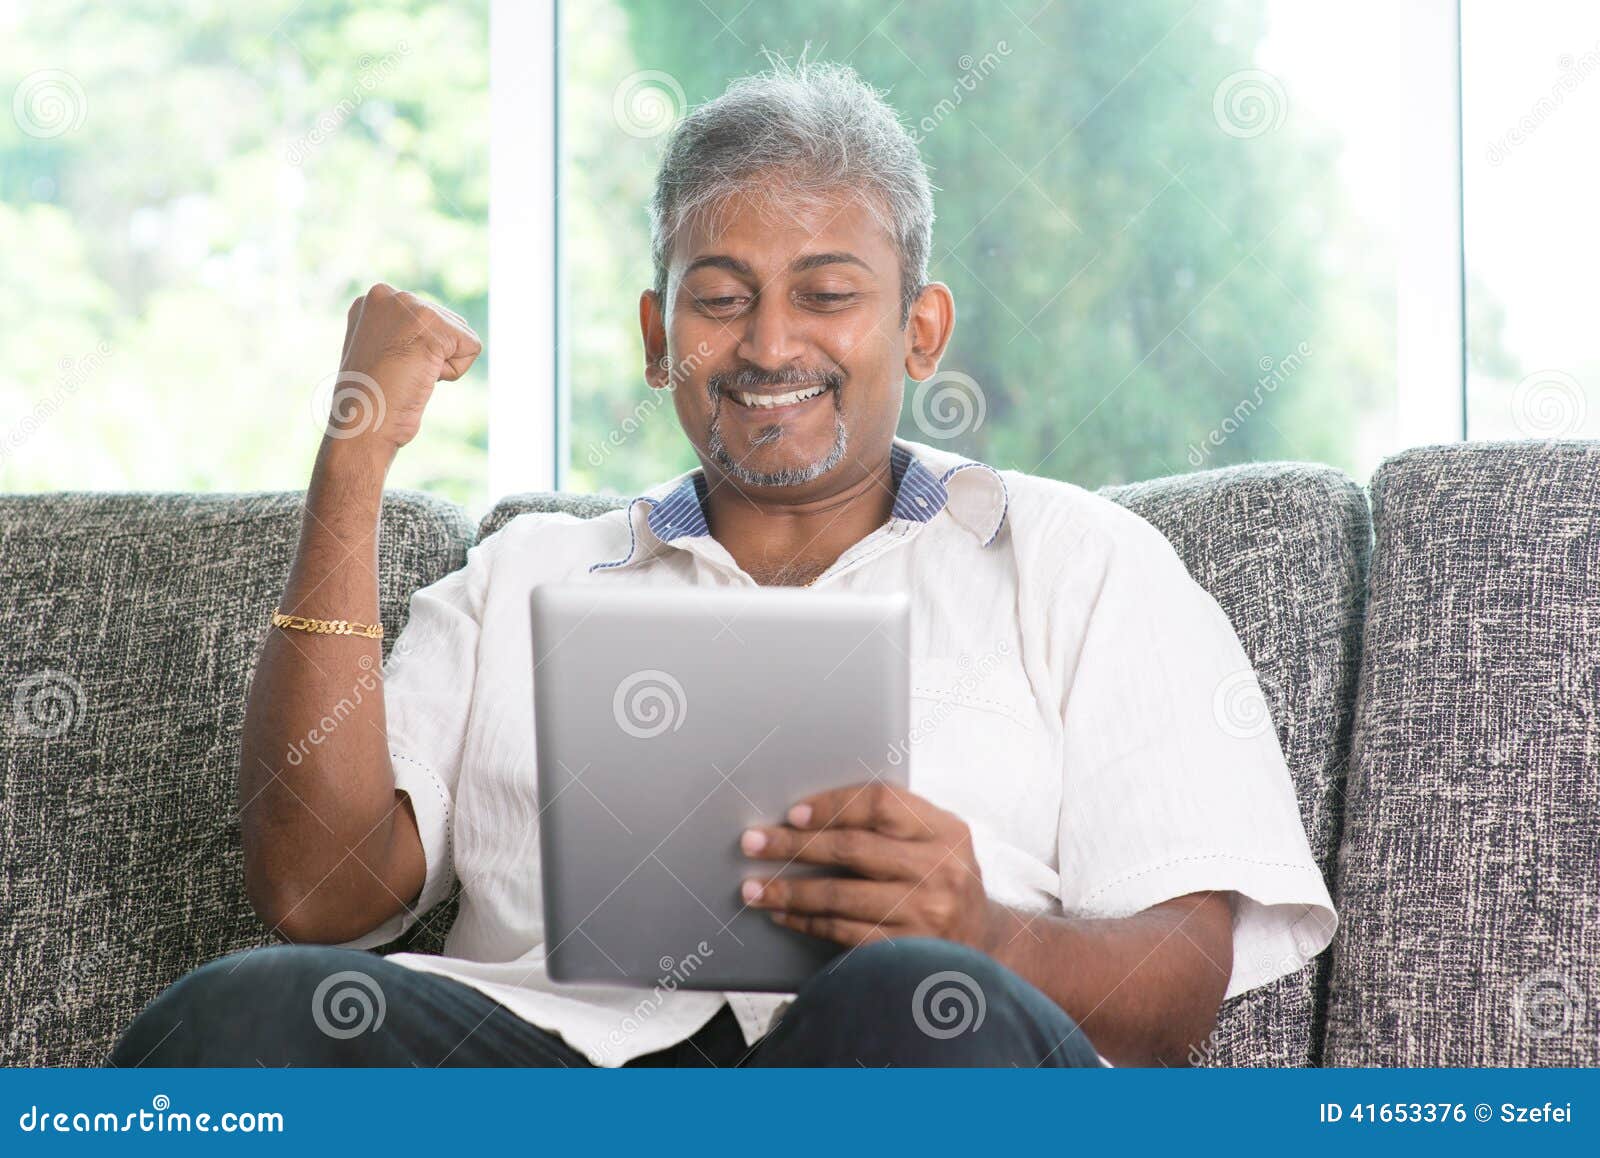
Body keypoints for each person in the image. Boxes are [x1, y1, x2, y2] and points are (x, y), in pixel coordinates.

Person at [110, 57, 1334, 1069]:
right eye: (720, 298)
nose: (768, 343)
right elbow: (318, 893)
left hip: (896, 1060)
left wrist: (987, 937)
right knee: (244, 1011)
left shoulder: (1081, 563)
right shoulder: (525, 572)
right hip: (557, 1072)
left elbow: (1178, 990)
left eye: (826, 292)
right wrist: (354, 458)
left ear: (921, 327)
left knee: (915, 997)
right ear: (658, 337)